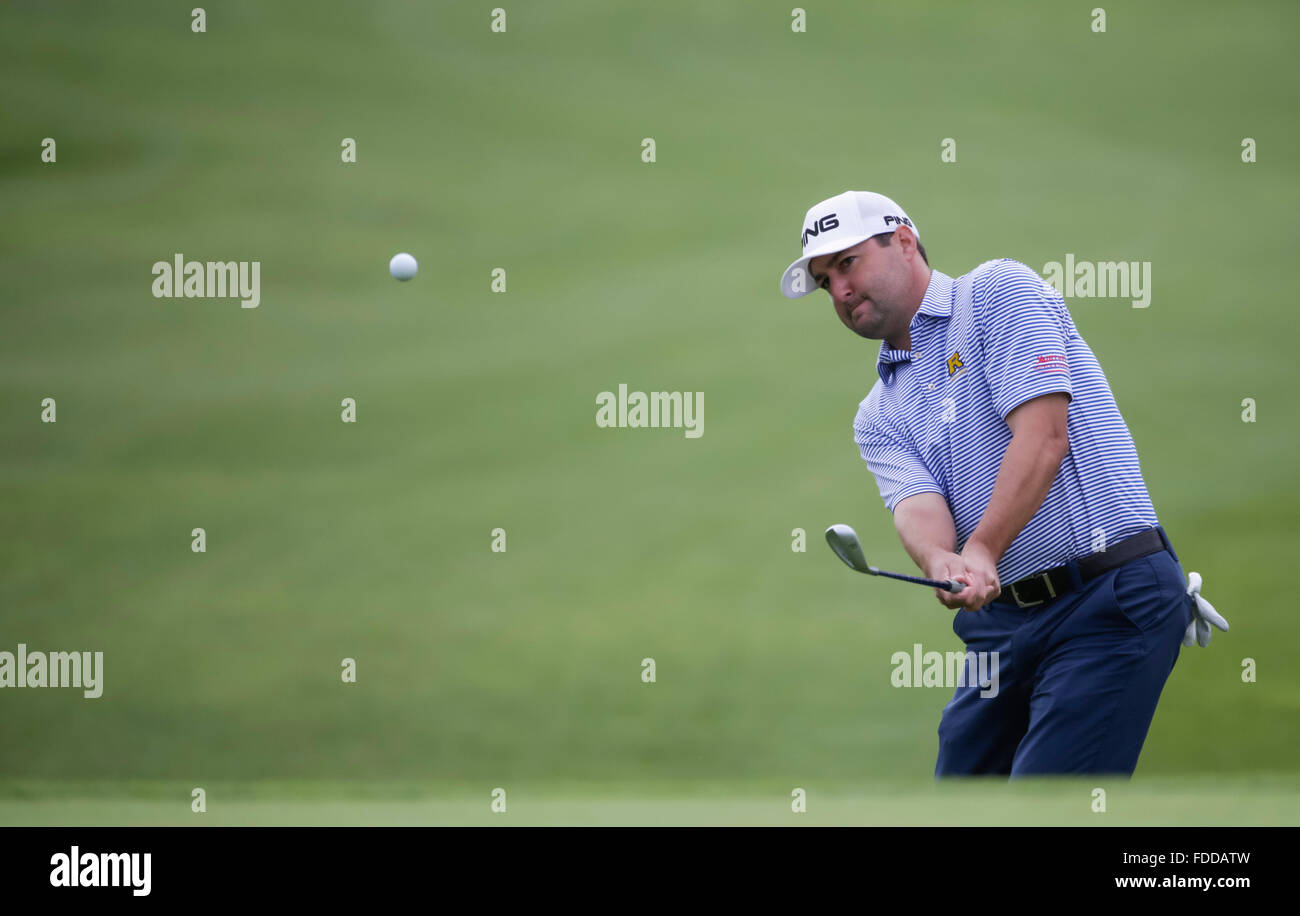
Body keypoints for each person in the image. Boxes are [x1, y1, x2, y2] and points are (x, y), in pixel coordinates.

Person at [779, 190, 1227, 777]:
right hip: (1003, 629)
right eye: (824, 280)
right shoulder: (877, 412)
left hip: (1105, 596)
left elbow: (1043, 437)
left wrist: (984, 547)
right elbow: (918, 506)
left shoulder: (995, 294)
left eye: (848, 263)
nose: (838, 289)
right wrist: (943, 559)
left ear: (905, 241)